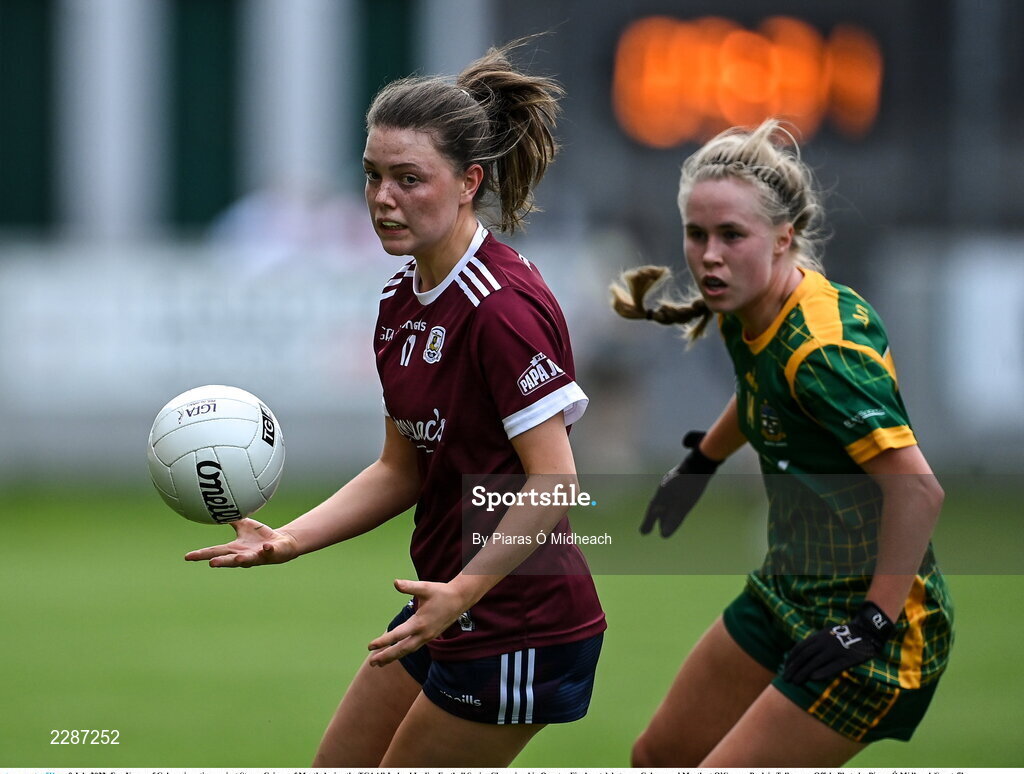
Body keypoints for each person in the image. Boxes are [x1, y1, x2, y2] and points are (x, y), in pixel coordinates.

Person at [185, 40, 605, 767]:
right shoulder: (400, 299)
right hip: (446, 602)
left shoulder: (499, 307)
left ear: (469, 182)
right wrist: (290, 539)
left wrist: (466, 591)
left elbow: (557, 480)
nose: (383, 198)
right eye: (374, 176)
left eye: (409, 179)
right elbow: (400, 467)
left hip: (516, 619)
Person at [610, 119, 953, 767]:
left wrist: (873, 623)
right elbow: (760, 395)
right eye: (697, 234)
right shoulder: (748, 306)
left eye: (731, 235)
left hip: (878, 630)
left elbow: (919, 489)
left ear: (783, 238)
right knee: (659, 757)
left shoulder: (821, 353)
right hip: (789, 591)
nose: (709, 255)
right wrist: (700, 462)